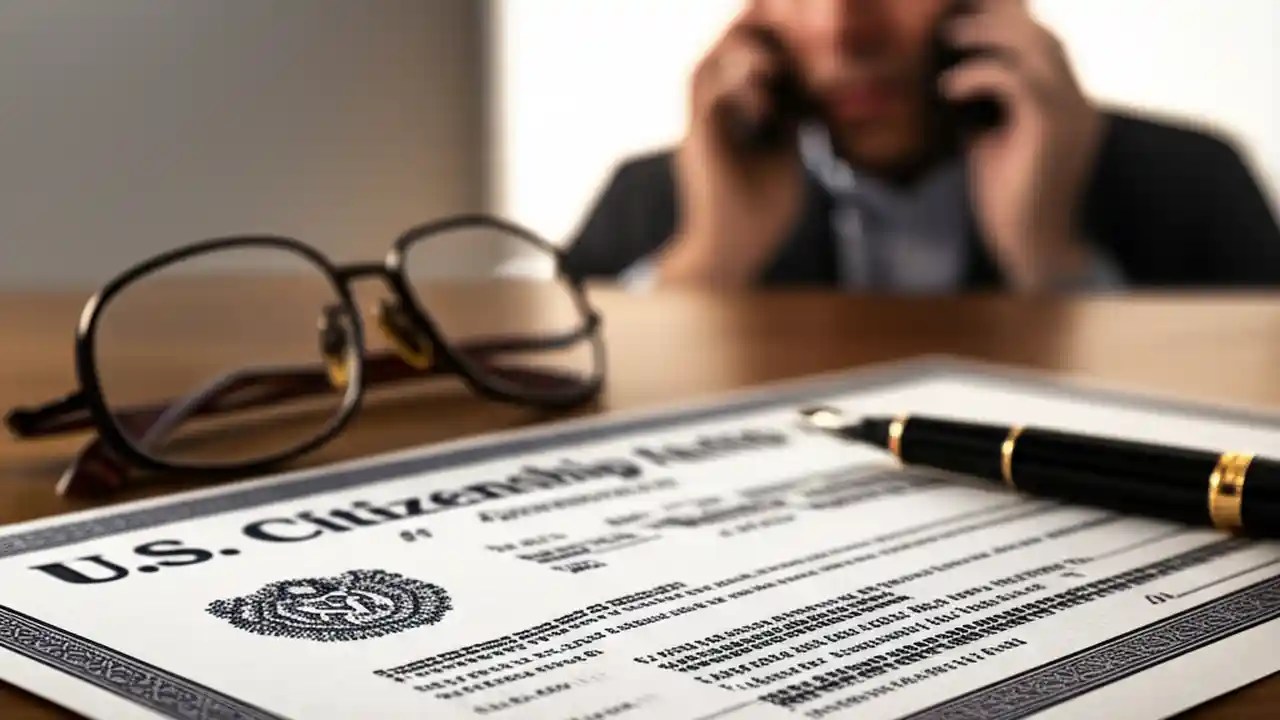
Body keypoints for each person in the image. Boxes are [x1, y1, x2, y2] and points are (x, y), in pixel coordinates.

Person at [563, 0, 1280, 292]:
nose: (843, 31)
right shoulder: (652, 197)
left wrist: (1052, 261)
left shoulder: (1197, 181)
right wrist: (707, 264)